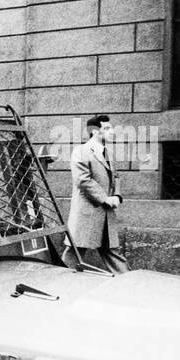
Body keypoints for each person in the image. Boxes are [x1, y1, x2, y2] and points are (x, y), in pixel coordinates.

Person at [63, 114, 128, 274]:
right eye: (107, 128)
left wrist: (117, 196)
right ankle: (59, 281)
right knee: (75, 253)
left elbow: (116, 176)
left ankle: (129, 283)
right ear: (94, 132)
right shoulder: (81, 151)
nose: (112, 131)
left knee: (112, 252)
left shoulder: (108, 154)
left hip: (105, 215)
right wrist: (106, 199)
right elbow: (83, 180)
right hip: (87, 214)